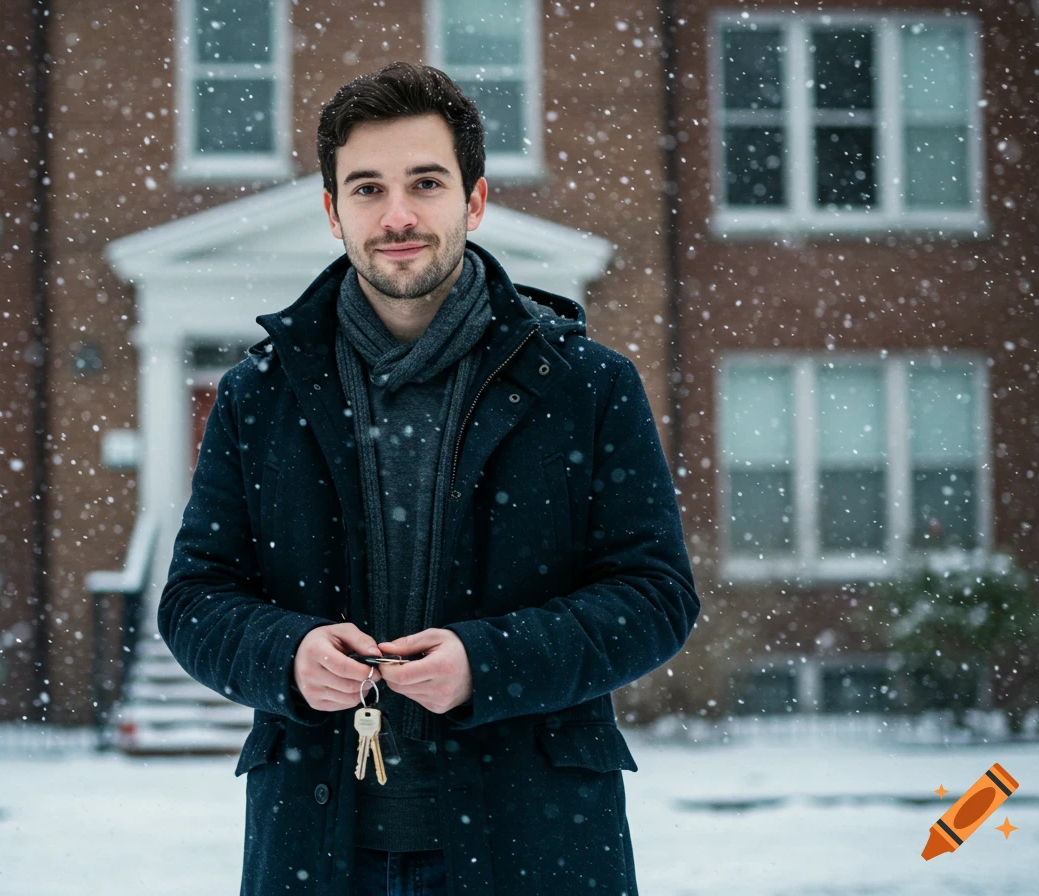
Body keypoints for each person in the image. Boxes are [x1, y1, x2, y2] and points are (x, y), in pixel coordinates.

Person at [159, 61, 700, 896]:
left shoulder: (587, 385)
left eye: (426, 182)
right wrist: (288, 655)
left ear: (474, 200)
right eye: (368, 189)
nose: (398, 215)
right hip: (316, 846)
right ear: (334, 213)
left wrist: (490, 661)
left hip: (536, 841)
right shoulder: (258, 394)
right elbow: (195, 600)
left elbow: (656, 596)